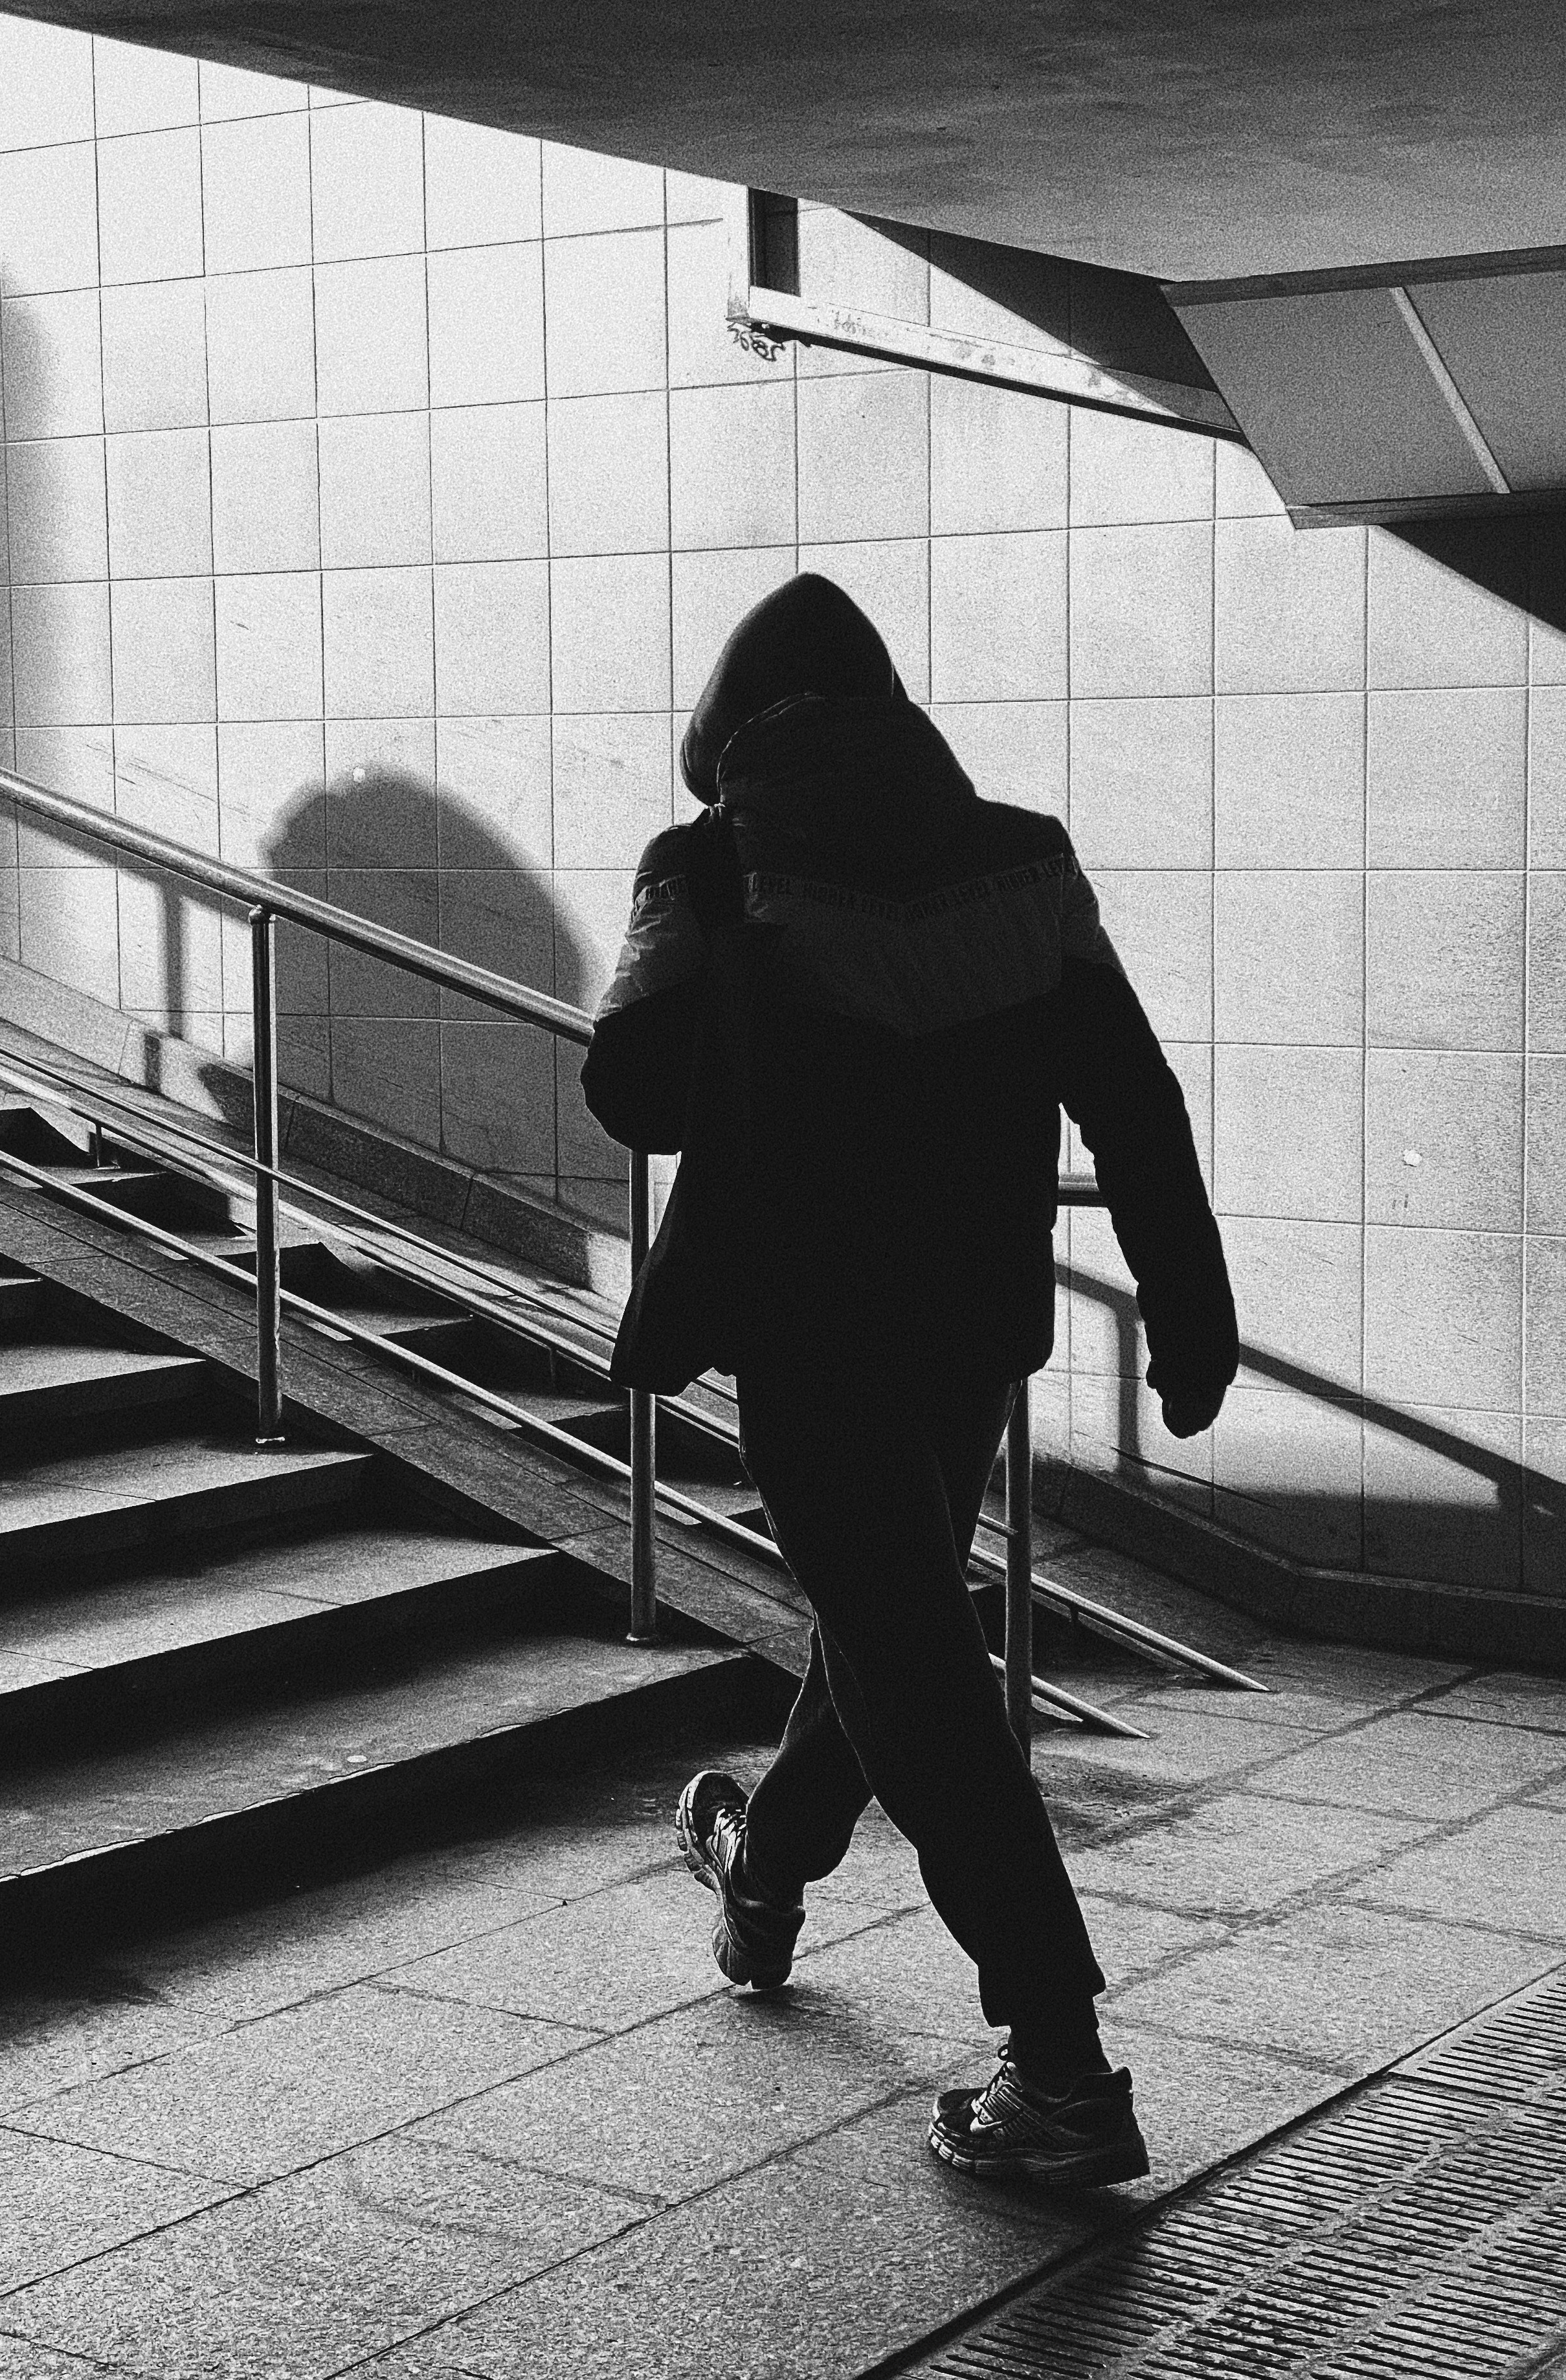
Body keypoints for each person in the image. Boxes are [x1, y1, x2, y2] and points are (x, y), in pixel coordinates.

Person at [581, 571, 1236, 2187]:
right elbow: (1132, 1098)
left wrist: (718, 950)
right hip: (969, 1334)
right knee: (892, 1631)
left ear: (729, 731)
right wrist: (1187, 1305)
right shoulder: (1022, 859)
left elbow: (633, 1094)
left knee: (912, 1666)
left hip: (810, 1337)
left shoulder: (713, 865)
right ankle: (765, 1871)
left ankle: (1063, 2070)